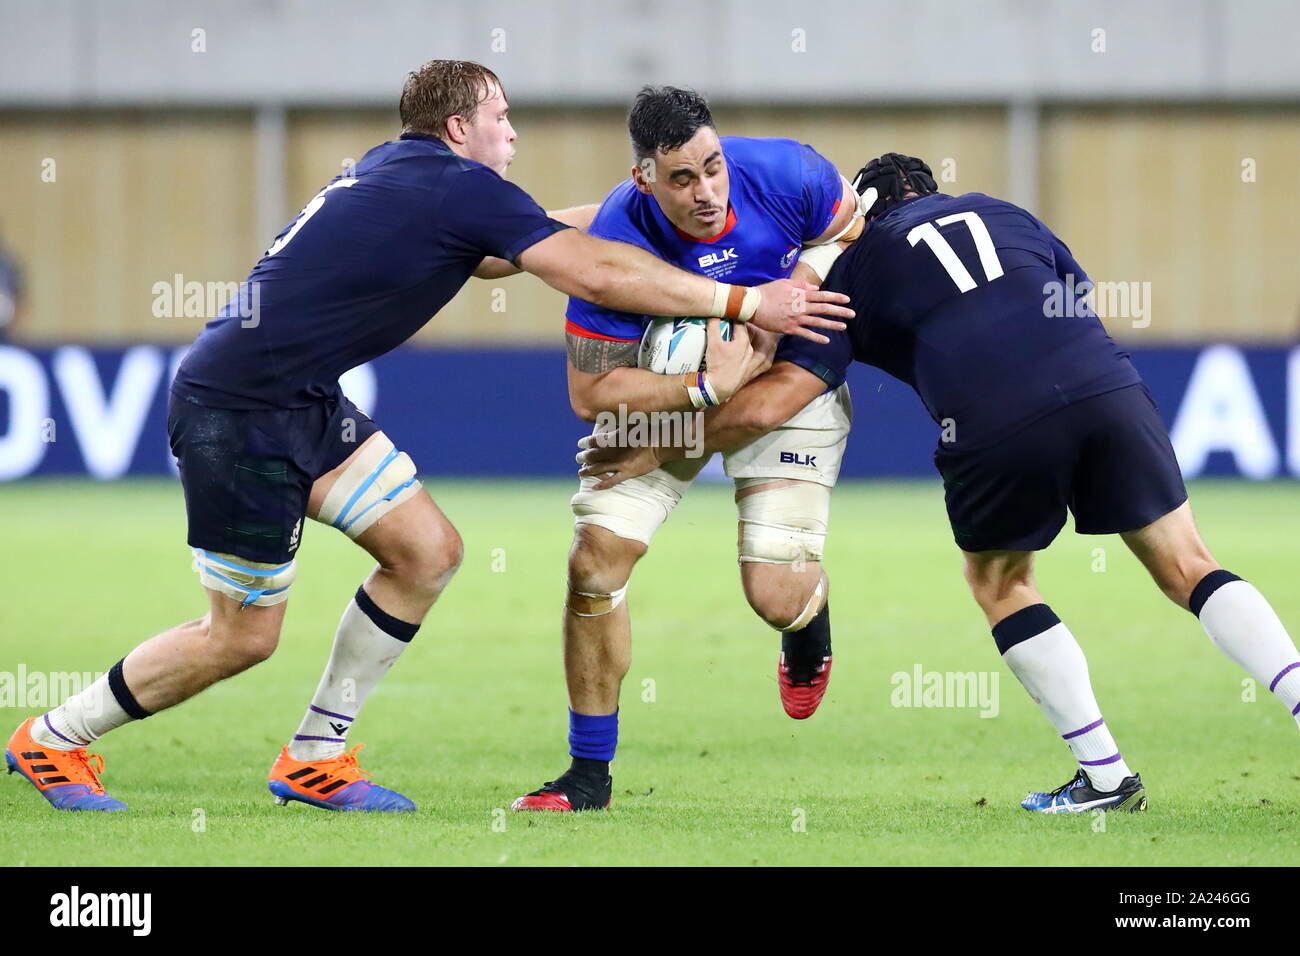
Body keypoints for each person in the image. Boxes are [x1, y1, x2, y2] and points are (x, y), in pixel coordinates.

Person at [3, 60, 851, 814]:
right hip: (239, 409)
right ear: (459, 129)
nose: (513, 134)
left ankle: (316, 758)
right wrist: (744, 304)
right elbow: (586, 268)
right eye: (501, 118)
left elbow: (503, 253)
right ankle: (54, 736)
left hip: (297, 394)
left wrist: (635, 217)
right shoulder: (458, 187)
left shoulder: (403, 172)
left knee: (426, 550)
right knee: (241, 635)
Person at [578, 153, 1300, 813]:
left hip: (994, 418)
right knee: (1188, 564)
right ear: (931, 190)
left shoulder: (852, 268)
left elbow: (770, 405)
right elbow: (1070, 296)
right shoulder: (1005, 212)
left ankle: (1106, 778)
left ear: (860, 209)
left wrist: (652, 445)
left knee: (1003, 583)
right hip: (1107, 384)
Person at [511, 87, 867, 813]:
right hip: (677, 391)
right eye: (681, 178)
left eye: (713, 167)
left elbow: (850, 227)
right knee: (593, 562)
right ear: (644, 178)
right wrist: (704, 387)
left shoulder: (788, 172)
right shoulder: (614, 248)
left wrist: (788, 297)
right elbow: (590, 393)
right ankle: (587, 776)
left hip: (788, 372)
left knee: (774, 594)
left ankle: (808, 621)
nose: (706, 192)